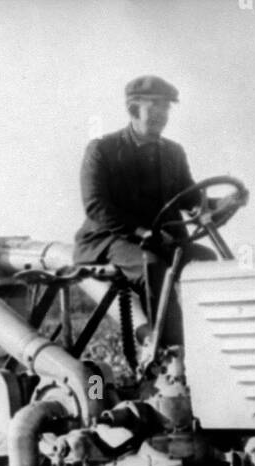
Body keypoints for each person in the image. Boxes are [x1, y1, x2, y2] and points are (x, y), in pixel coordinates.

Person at [73, 75, 217, 352]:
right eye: (155, 107)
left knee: (208, 262)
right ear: (132, 110)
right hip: (110, 240)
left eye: (166, 108)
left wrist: (222, 203)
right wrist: (142, 232)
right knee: (152, 267)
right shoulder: (102, 150)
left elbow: (190, 198)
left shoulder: (173, 152)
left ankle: (209, 342)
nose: (162, 116)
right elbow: (96, 206)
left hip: (163, 240)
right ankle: (169, 352)